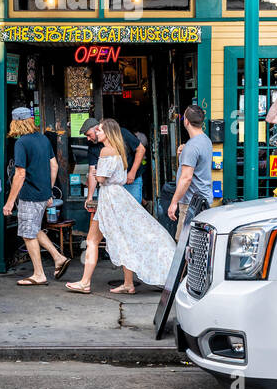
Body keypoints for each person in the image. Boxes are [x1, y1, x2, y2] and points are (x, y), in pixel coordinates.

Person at [66, 119, 175, 295]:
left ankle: (85, 282)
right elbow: (120, 177)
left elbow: (101, 179)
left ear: (107, 133)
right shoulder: (118, 151)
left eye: (100, 130)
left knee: (93, 240)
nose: (98, 132)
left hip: (109, 199)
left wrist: (95, 174)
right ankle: (128, 283)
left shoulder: (105, 151)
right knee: (125, 238)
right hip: (119, 196)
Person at [3, 107, 70, 286]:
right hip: (42, 194)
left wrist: (9, 202)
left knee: (28, 234)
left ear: (16, 122)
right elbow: (54, 166)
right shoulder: (42, 139)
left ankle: (39, 274)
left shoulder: (21, 143)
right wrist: (48, 190)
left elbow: (20, 174)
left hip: (29, 195)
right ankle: (58, 258)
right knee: (33, 228)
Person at [167, 106, 213, 240]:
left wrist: (174, 202)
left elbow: (186, 178)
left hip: (191, 204)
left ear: (186, 121)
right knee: (198, 244)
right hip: (203, 199)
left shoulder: (192, 146)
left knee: (184, 245)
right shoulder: (206, 140)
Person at [82, 117, 146, 205]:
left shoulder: (122, 133)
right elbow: (92, 172)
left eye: (89, 135)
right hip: (112, 187)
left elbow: (141, 149)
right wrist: (89, 197)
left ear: (97, 129)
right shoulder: (93, 146)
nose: (88, 139)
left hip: (131, 180)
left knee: (133, 209)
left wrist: (132, 172)